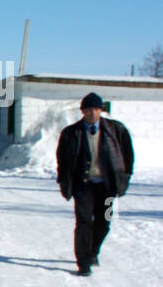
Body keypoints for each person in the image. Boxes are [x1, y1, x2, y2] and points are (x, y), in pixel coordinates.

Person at [55, 93, 133, 276]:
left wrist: (125, 177)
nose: (92, 113)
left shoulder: (116, 130)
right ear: (82, 111)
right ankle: (83, 262)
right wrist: (64, 181)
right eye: (88, 109)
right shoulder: (71, 133)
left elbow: (127, 155)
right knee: (83, 222)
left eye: (96, 109)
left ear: (101, 110)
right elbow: (63, 160)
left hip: (107, 187)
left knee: (104, 222)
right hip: (83, 186)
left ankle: (93, 252)